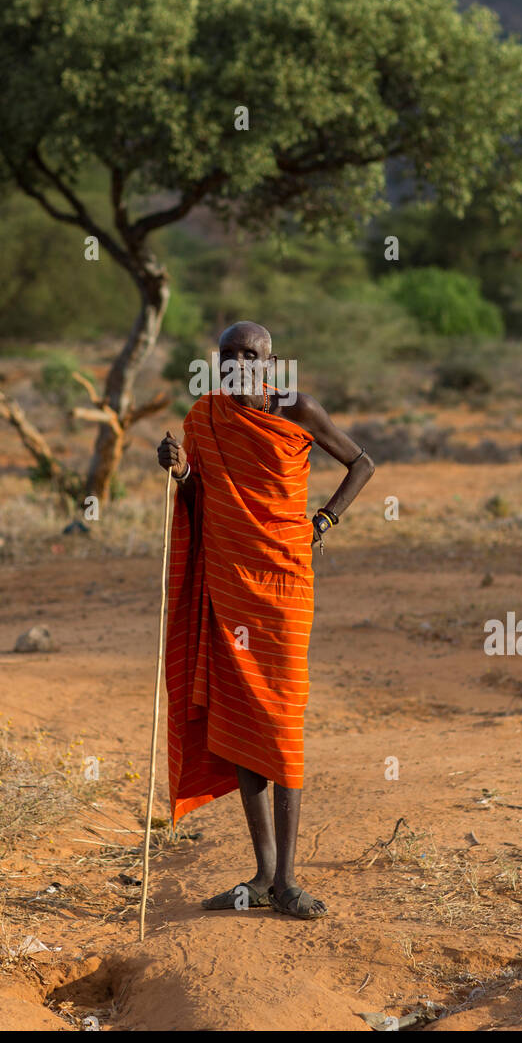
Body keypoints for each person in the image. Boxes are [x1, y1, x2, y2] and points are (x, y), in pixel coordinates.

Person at [156, 320, 375, 919]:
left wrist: (324, 521)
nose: (237, 362)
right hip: (231, 583)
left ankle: (288, 881)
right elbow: (201, 489)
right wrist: (178, 468)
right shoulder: (205, 417)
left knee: (281, 720)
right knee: (242, 716)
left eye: (248, 354)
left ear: (271, 360)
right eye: (227, 353)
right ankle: (262, 873)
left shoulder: (298, 408)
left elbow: (362, 464)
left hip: (285, 582)